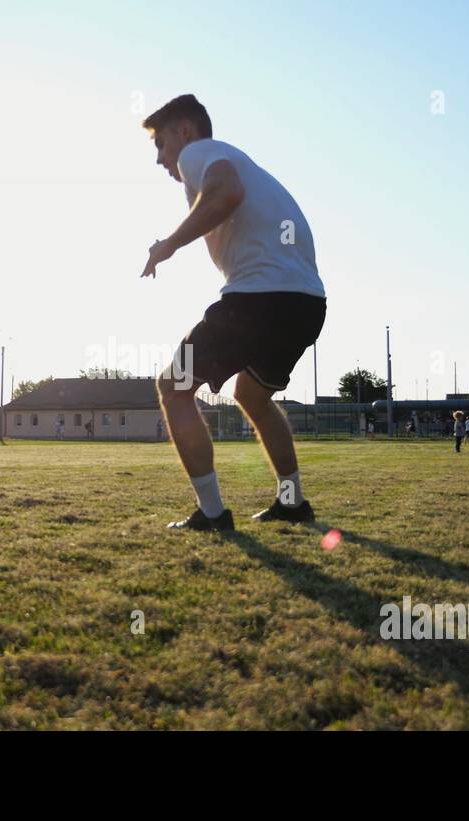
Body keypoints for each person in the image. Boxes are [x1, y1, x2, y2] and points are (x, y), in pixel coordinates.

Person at [141, 95, 326, 531]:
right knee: (251, 396)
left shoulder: (199, 152)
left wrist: (168, 244)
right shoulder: (240, 162)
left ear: (185, 131)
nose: (161, 159)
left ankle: (211, 513)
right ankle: (292, 501)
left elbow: (227, 193)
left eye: (161, 144)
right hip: (306, 304)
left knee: (173, 385)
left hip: (258, 300)